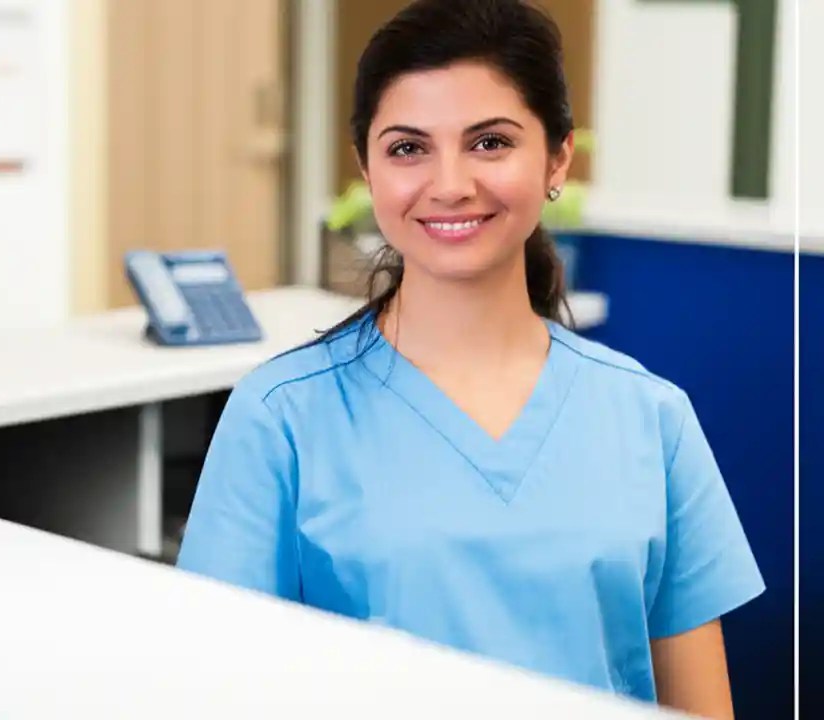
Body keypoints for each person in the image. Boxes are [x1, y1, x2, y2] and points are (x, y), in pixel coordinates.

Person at [175, 1, 763, 716]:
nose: (449, 183)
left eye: (489, 143)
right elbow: (214, 690)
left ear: (557, 158)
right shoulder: (281, 418)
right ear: (365, 168)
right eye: (408, 148)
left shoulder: (651, 418)